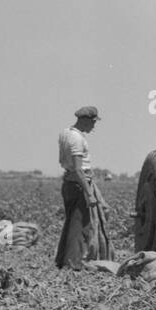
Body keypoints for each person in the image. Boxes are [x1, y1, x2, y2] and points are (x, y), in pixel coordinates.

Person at [55, 106, 113, 269]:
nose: (94, 126)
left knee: (72, 223)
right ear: (85, 121)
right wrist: (90, 194)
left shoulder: (66, 133)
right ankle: (74, 264)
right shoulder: (77, 139)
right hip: (79, 184)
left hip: (69, 183)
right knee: (80, 227)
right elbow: (78, 169)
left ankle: (64, 260)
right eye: (93, 122)